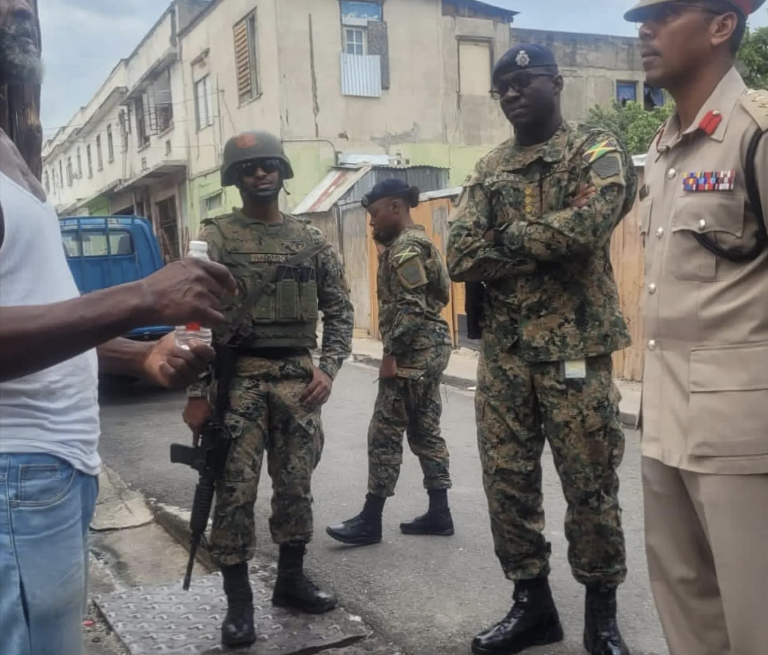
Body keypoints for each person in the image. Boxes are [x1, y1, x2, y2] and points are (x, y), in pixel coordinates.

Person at [0, 0, 236, 655]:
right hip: (16, 473)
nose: (18, 5)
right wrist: (142, 295)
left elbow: (32, 311)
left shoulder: (11, 151)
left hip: (53, 472)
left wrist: (140, 352)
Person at [447, 43, 637, 655]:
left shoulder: (596, 150)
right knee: (508, 483)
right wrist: (538, 241)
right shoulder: (488, 167)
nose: (510, 94)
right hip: (504, 358)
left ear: (556, 83)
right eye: (501, 86)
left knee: (589, 485)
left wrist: (506, 239)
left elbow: (587, 226)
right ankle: (533, 607)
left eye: (523, 81)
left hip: (575, 352)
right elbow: (458, 256)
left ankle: (600, 616)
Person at [624, 0, 768, 655]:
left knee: (757, 623)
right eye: (641, 17)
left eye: (665, 13)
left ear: (721, 26)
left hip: (745, 439)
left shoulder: (757, 134)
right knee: (689, 618)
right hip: (665, 425)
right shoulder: (666, 148)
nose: (643, 31)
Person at [182, 131, 354, 648]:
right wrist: (197, 390)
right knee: (233, 492)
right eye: (250, 167)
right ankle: (238, 604)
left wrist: (328, 368)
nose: (261, 173)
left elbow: (340, 309)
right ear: (236, 177)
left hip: (298, 382)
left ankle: (290, 582)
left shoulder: (309, 239)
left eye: (268, 164)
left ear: (282, 170)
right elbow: (191, 316)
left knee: (295, 486)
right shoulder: (214, 237)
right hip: (238, 383)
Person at [326, 179, 454, 546]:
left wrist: (390, 354)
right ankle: (439, 512)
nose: (370, 222)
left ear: (395, 206)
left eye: (374, 213)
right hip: (430, 349)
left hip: (412, 354)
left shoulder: (406, 249)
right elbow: (441, 295)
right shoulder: (422, 241)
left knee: (384, 432)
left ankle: (370, 519)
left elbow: (411, 308)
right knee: (425, 429)